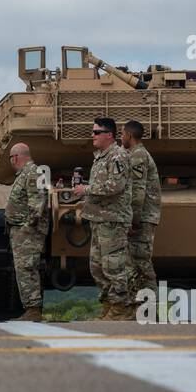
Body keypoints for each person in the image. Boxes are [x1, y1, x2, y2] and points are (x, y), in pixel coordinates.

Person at [73, 117, 133, 319]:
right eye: (93, 132)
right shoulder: (101, 157)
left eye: (96, 132)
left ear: (109, 135)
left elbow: (115, 186)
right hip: (100, 219)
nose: (93, 136)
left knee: (113, 266)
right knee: (97, 267)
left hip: (113, 219)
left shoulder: (117, 156)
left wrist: (86, 189)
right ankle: (109, 305)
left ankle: (121, 308)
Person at [4, 143, 47, 321]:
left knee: (27, 267)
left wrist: (27, 227)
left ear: (15, 157)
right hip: (22, 230)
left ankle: (33, 309)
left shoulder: (33, 172)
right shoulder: (26, 174)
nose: (11, 162)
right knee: (23, 268)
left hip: (27, 231)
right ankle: (31, 308)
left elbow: (37, 203)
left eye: (11, 158)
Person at [121, 120, 161, 297]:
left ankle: (149, 305)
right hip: (142, 216)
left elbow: (138, 191)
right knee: (136, 262)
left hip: (142, 217)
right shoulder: (135, 153)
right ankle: (140, 302)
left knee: (141, 262)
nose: (120, 137)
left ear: (129, 135)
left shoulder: (138, 155)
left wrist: (133, 220)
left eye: (122, 134)